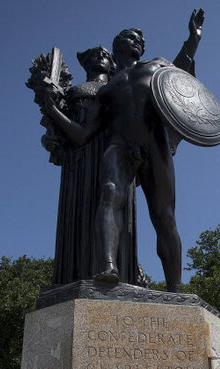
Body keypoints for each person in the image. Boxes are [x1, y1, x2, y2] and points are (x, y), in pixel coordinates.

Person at [42, 10, 205, 292]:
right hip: (120, 145)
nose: (137, 40)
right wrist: (53, 109)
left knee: (164, 216)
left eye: (140, 38)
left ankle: (175, 287)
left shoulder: (156, 66)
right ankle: (108, 266)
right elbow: (83, 134)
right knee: (109, 194)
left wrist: (193, 39)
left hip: (154, 144)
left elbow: (182, 78)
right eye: (131, 37)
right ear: (118, 44)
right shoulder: (106, 90)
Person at [49, 46, 139, 285]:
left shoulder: (119, 85)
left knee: (113, 204)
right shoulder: (73, 92)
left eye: (105, 55)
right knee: (80, 214)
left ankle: (120, 271)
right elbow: (60, 135)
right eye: (93, 56)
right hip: (79, 162)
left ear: (112, 63)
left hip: (114, 154)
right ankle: (75, 277)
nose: (99, 58)